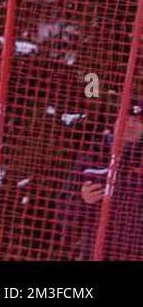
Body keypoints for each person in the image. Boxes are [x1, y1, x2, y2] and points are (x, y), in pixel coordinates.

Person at [58, 107, 143, 260]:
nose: (130, 125)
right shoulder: (91, 158)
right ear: (114, 121)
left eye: (137, 121)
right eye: (126, 118)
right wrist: (82, 199)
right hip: (98, 251)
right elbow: (63, 214)